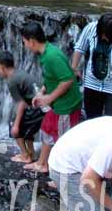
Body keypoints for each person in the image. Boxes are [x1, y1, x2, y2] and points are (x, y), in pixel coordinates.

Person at [20, 21, 83, 174]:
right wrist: (41, 92)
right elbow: (52, 78)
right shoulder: (47, 52)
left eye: (24, 42)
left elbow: (68, 80)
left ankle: (64, 174)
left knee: (63, 140)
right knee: (47, 130)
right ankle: (42, 164)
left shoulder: (51, 56)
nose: (24, 45)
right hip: (59, 104)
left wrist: (48, 99)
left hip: (66, 106)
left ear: (32, 41)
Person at [0, 50, 45, 164]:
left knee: (15, 126)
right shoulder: (19, 73)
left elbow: (21, 104)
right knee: (27, 128)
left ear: (1, 67)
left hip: (37, 107)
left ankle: (25, 155)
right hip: (42, 106)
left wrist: (16, 125)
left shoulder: (12, 81)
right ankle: (31, 152)